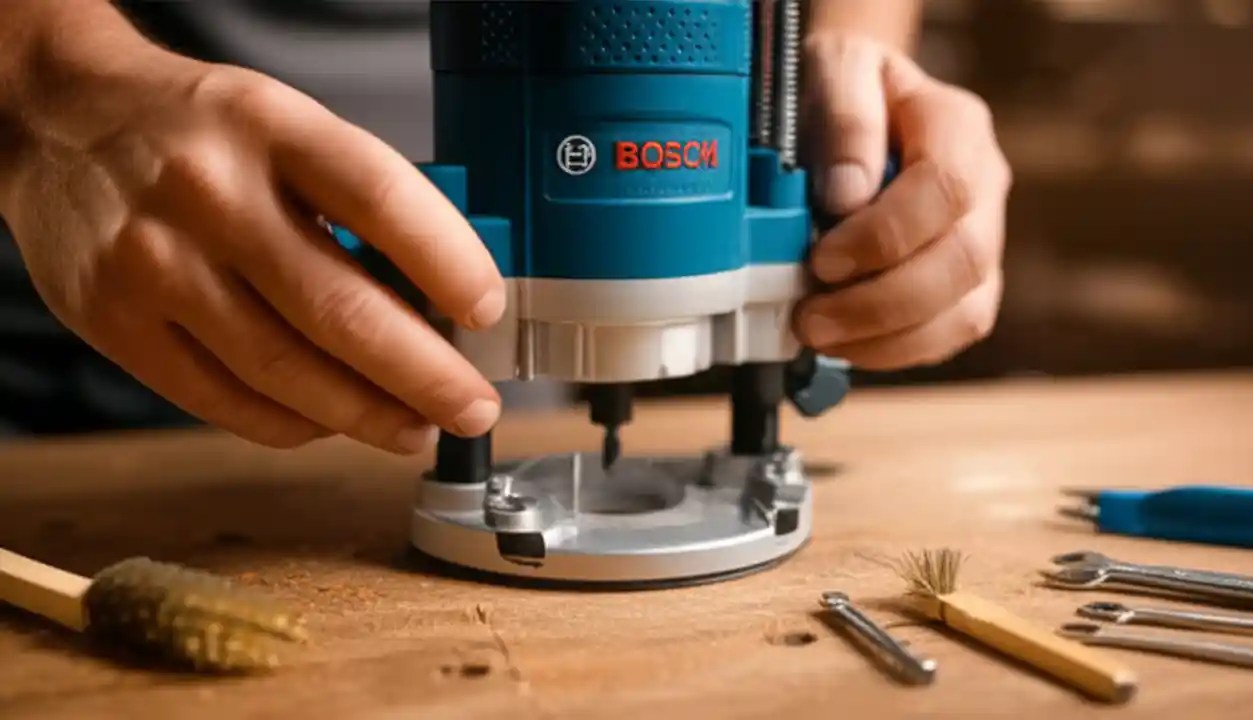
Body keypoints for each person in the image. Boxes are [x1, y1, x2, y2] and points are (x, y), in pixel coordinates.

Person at [0, 0, 1010, 454]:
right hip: (94, 336)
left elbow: (849, 29)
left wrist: (853, 68)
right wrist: (52, 84)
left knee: (474, 412)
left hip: (495, 360)